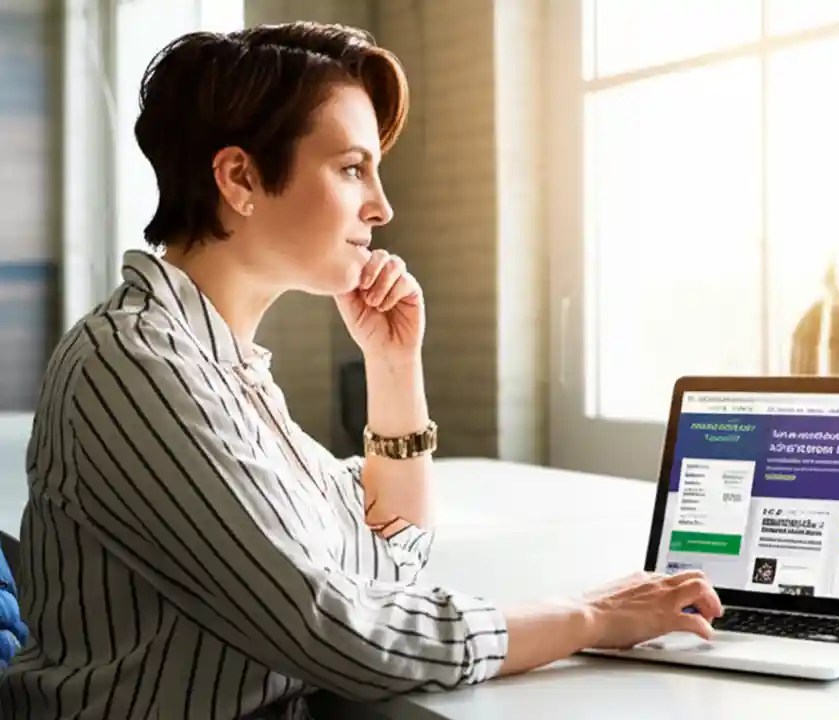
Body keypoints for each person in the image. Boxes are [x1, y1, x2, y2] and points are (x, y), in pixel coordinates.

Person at [0, 22, 721, 719]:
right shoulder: (134, 366)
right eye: (351, 168)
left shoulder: (221, 368)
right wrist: (590, 616)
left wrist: (394, 362)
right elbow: (341, 632)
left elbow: (387, 556)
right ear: (240, 177)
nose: (381, 205)